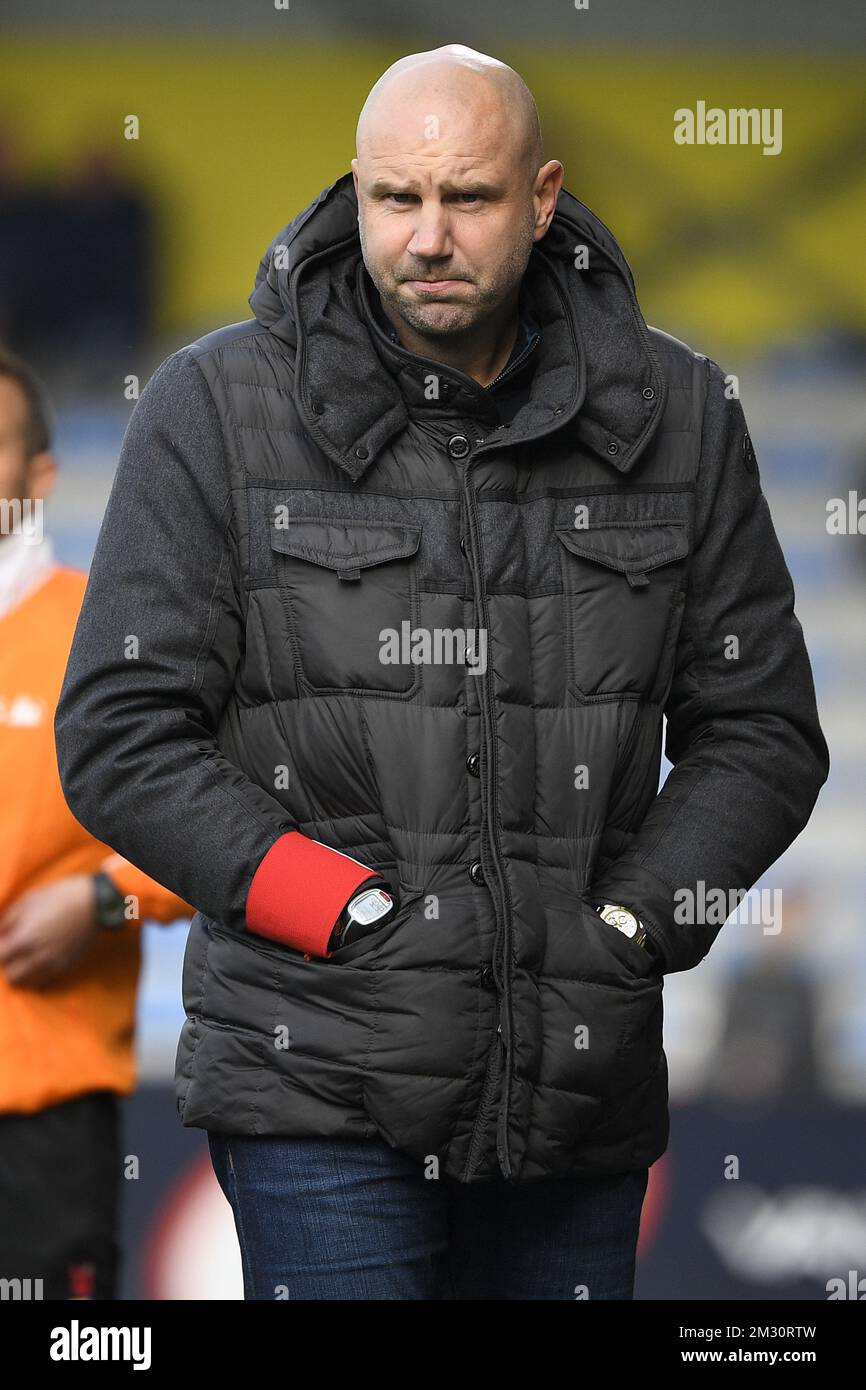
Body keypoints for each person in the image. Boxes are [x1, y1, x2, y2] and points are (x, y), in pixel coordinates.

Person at [53, 45, 830, 1300]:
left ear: (542, 197)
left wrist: (632, 925)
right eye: (391, 198)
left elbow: (761, 730)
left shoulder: (678, 412)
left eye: (465, 199)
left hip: (577, 1092)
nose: (424, 237)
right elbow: (121, 733)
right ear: (353, 191)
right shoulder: (212, 406)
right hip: (312, 1082)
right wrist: (341, 909)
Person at [0, 345, 194, 1299]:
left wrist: (103, 900)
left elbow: (220, 812)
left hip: (44, 1106)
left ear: (39, 476)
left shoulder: (103, 631)